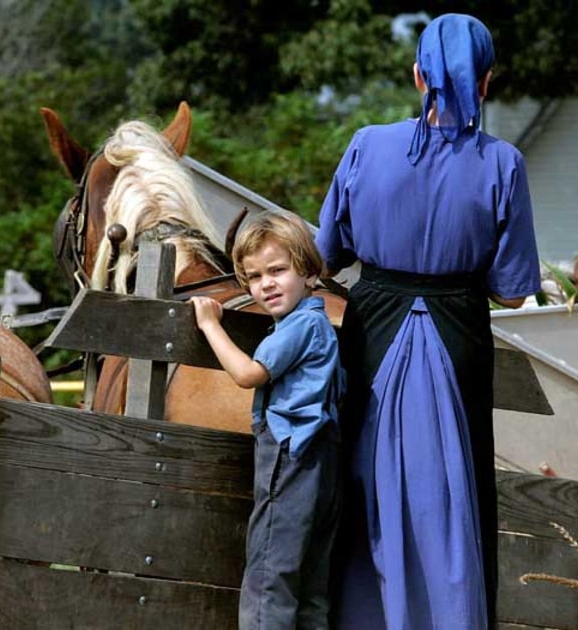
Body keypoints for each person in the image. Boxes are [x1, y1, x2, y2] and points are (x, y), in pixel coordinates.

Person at [314, 13, 541, 630]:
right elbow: (514, 292)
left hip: (373, 332)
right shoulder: (504, 163)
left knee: (363, 484)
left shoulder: (366, 144)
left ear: (418, 76)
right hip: (458, 335)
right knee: (454, 494)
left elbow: (324, 254)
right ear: (487, 83)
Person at [191, 211, 344, 629]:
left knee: (268, 575)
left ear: (309, 272)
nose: (266, 285)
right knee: (311, 584)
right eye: (255, 277)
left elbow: (247, 375)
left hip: (290, 456)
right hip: (322, 459)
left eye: (278, 270)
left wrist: (210, 324)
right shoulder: (319, 325)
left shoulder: (298, 328)